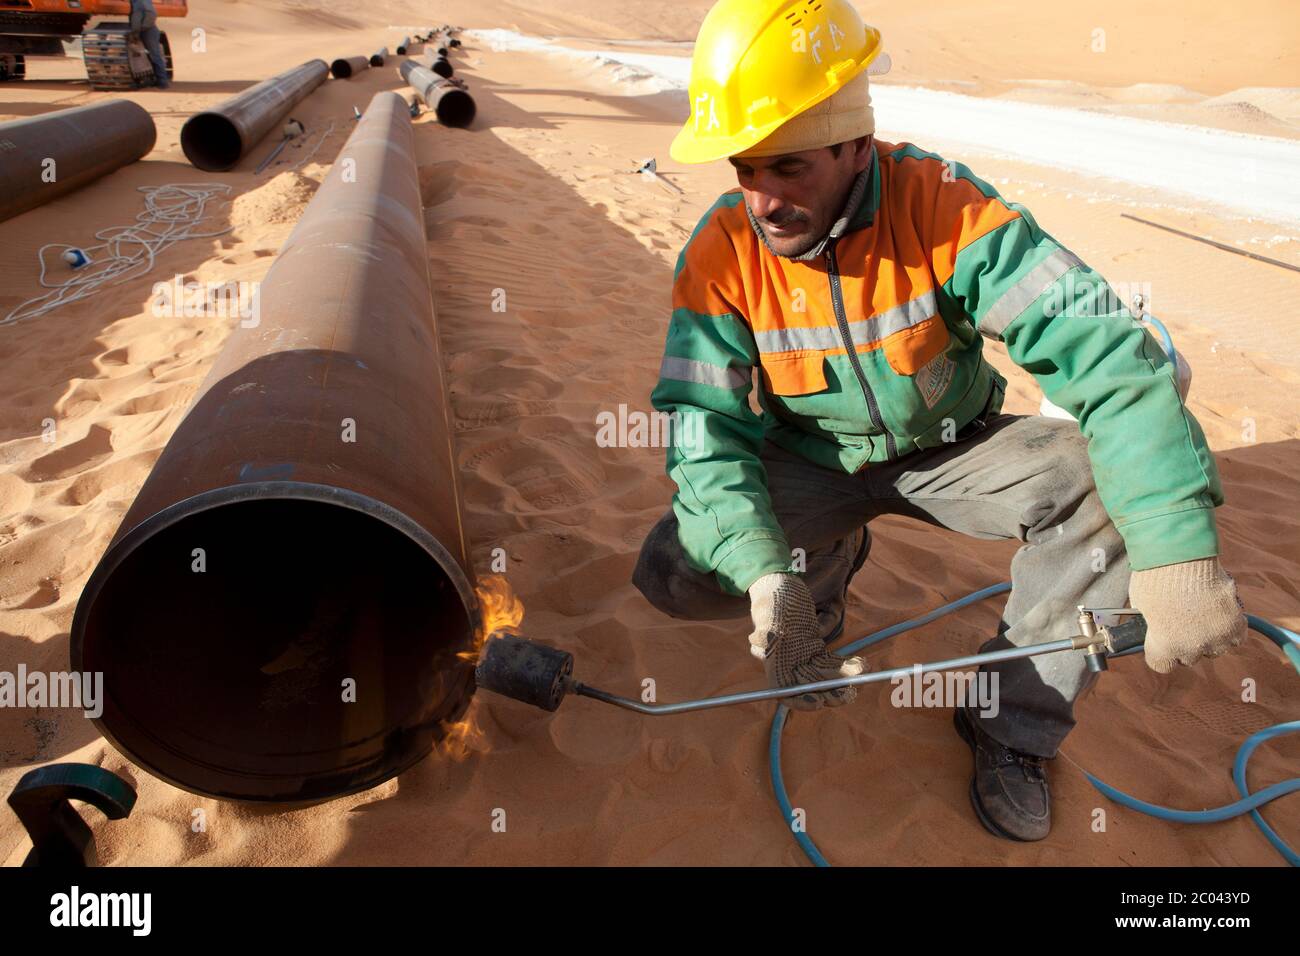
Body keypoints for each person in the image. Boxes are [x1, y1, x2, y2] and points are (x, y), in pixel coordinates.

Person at [632, 0, 1247, 843]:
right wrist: (764, 574)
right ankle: (819, 570)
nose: (764, 199)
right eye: (745, 167)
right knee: (676, 571)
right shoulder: (720, 254)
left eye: (789, 166)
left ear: (855, 143)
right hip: (812, 459)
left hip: (952, 450)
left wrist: (1178, 551)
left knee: (1094, 489)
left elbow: (1108, 352)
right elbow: (702, 426)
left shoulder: (948, 210)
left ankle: (1010, 725)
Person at [129, 0, 169, 89]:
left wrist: (142, 28)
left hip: (148, 31)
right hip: (143, 30)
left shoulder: (141, 1)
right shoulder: (136, 2)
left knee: (155, 55)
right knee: (148, 56)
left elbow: (151, 14)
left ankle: (162, 81)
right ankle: (156, 79)